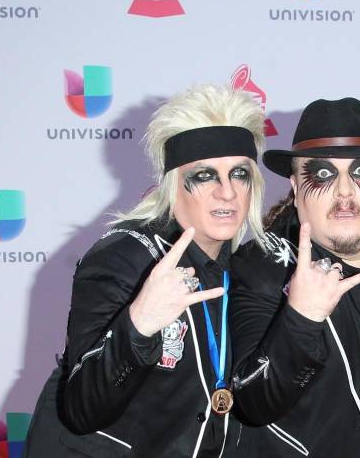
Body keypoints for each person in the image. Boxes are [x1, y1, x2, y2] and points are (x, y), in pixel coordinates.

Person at [24, 84, 267, 456]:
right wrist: (139, 324)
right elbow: (81, 408)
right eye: (204, 176)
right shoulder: (125, 257)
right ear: (173, 185)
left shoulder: (238, 266)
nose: (227, 192)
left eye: (239, 174)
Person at [228, 97, 360, 457]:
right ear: (296, 187)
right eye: (322, 174)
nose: (345, 192)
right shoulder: (264, 266)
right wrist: (301, 319)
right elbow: (252, 400)